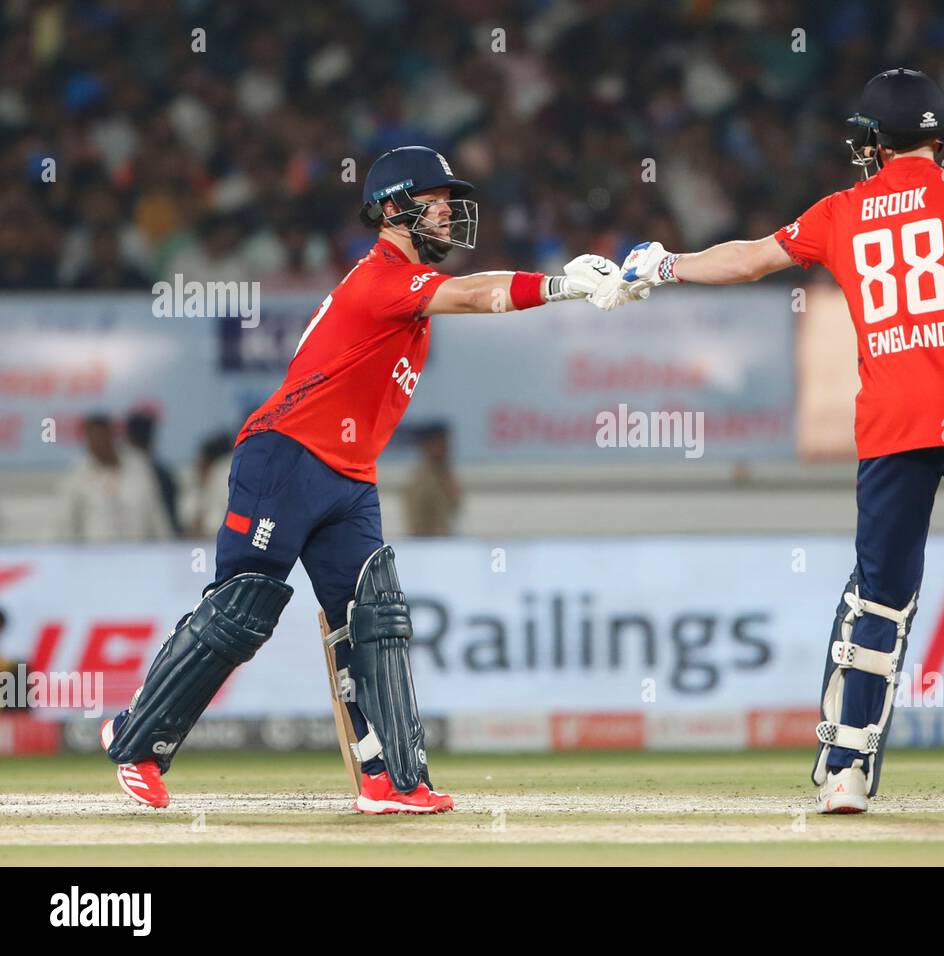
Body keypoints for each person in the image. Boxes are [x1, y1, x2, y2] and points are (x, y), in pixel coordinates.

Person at [619, 69, 944, 813]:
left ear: (876, 143)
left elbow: (752, 258)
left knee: (879, 598)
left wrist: (665, 266)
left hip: (890, 426)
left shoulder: (842, 211)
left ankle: (847, 770)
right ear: (939, 136)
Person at [101, 146, 632, 813]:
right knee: (243, 610)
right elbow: (473, 293)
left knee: (375, 620)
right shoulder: (380, 278)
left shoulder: (406, 293)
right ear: (393, 208)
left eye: (448, 202)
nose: (448, 214)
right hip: (285, 457)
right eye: (435, 202)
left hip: (349, 477)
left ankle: (392, 779)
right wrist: (559, 285)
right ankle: (137, 741)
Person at [58, 414, 172, 543]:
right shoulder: (76, 478)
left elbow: (157, 516)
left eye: (103, 437)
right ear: (87, 441)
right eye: (94, 439)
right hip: (95, 556)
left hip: (139, 553)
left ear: (112, 436)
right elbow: (67, 525)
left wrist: (167, 549)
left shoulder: (139, 469)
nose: (99, 444)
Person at [403, 423, 461, 537]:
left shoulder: (445, 475)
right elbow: (417, 521)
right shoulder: (420, 480)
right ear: (427, 447)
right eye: (440, 444)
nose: (445, 449)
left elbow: (455, 506)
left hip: (443, 541)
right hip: (427, 544)